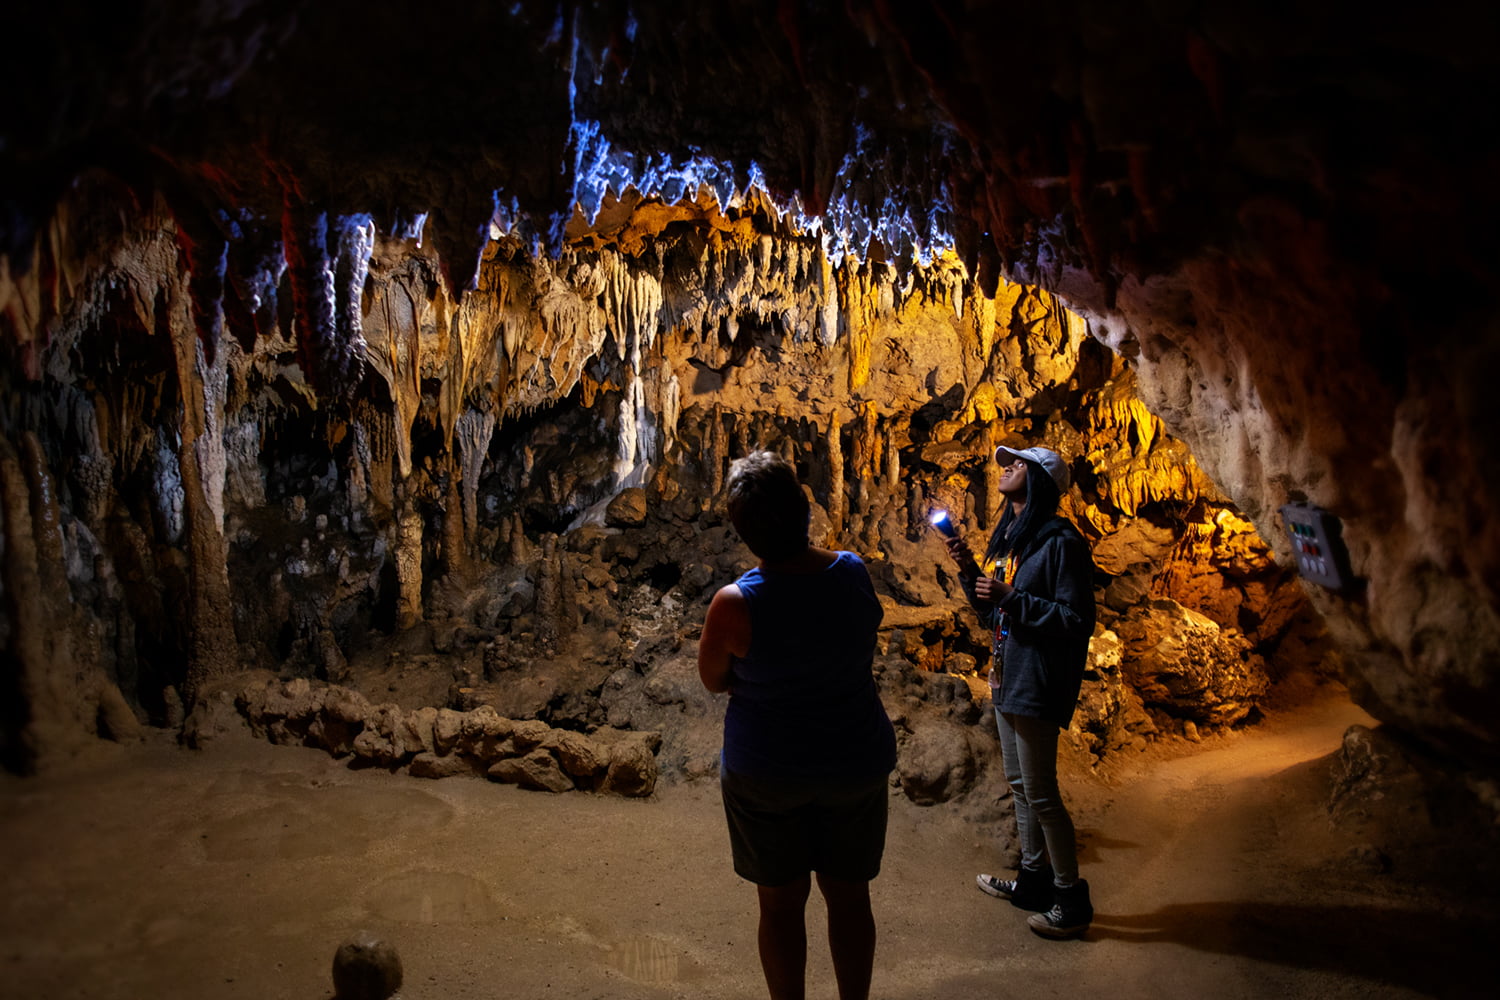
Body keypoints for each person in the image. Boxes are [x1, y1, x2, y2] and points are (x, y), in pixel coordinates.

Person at [698, 450, 897, 1000]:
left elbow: (714, 679)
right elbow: (863, 638)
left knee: (781, 904)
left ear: (744, 531)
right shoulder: (851, 572)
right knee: (850, 896)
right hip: (853, 759)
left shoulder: (734, 604)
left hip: (767, 771)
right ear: (803, 511)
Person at [941, 444, 1097, 939]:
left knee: (1043, 792)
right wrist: (971, 572)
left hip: (1039, 676)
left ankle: (1070, 897)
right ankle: (1033, 881)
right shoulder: (1012, 539)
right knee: (1020, 786)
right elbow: (994, 613)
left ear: (1042, 481)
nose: (1007, 467)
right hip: (1007, 673)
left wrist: (1014, 597)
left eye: (1020, 464)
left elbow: (1077, 620)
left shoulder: (1060, 541)